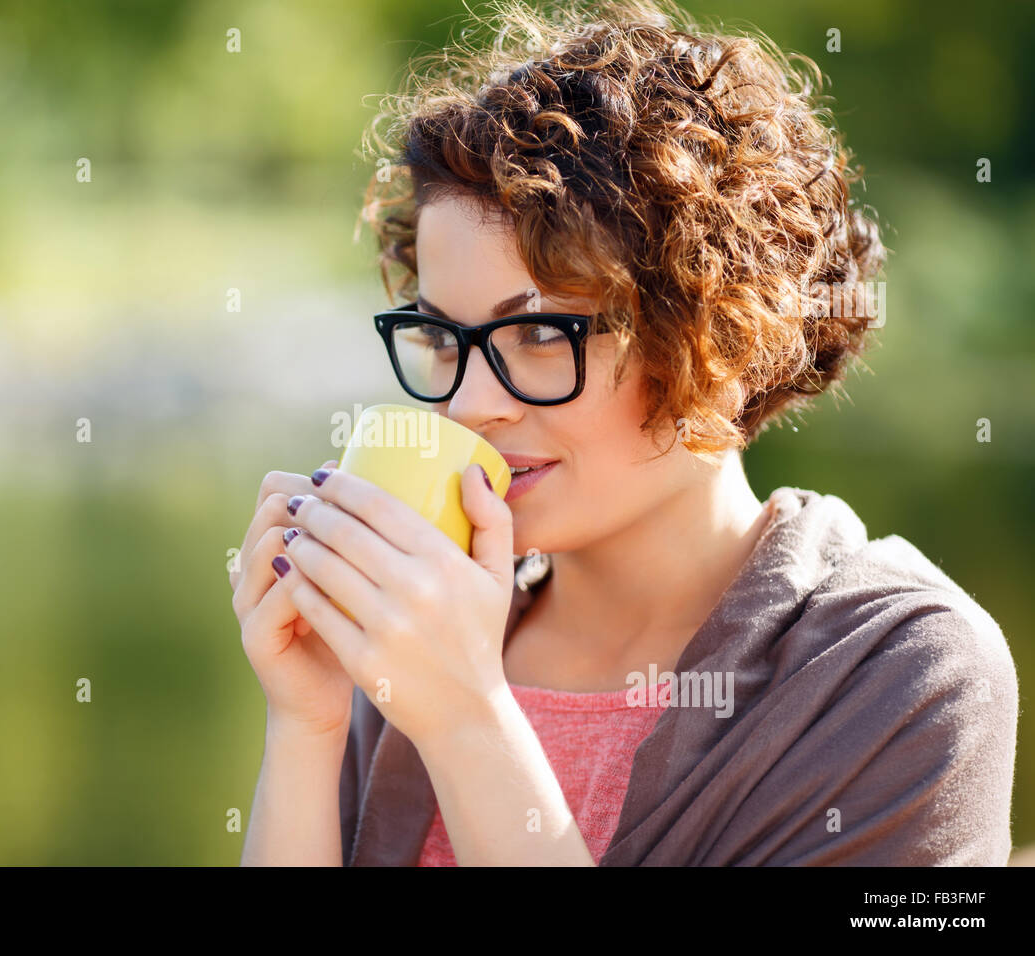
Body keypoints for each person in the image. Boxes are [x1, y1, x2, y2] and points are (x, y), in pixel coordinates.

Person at [230, 0, 1018, 865]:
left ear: (714, 337)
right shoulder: (423, 627)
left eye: (538, 335)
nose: (468, 408)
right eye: (445, 338)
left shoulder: (897, 676)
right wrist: (306, 723)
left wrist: (466, 719)